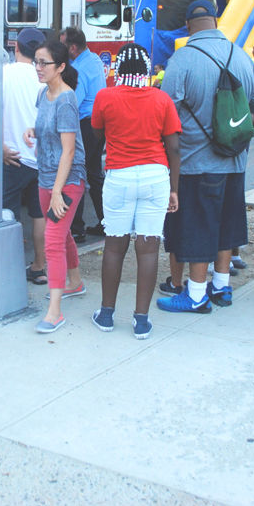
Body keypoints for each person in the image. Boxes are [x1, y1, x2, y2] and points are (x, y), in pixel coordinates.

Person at [157, 0, 254, 314]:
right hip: (235, 159)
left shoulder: (183, 58)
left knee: (199, 226)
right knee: (226, 226)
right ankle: (222, 287)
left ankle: (195, 295)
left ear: (189, 26)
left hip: (196, 162)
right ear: (216, 22)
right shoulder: (241, 55)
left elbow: (166, 111)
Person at [89, 44, 181, 339]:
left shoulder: (105, 96)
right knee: (148, 248)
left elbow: (97, 136)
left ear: (117, 69)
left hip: (119, 176)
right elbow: (174, 147)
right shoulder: (162, 99)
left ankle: (106, 314)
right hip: (156, 176)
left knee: (114, 246)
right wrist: (174, 190)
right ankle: (141, 320)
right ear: (146, 70)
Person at [24, 39, 87, 333]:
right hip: (46, 176)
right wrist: (33, 130)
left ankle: (54, 312)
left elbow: (69, 150)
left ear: (60, 67)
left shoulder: (66, 99)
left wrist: (59, 191)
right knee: (61, 237)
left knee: (52, 241)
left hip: (68, 180)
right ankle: (74, 283)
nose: (38, 68)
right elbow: (49, 128)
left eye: (43, 63)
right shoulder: (43, 94)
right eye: (36, 61)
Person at [2, 27, 48, 285]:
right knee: (38, 214)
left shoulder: (2, 74)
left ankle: (8, 269)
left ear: (16, 48)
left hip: (12, 156)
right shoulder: (44, 77)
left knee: (8, 215)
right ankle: (39, 267)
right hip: (39, 158)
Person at [60, 27, 107, 242]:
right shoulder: (94, 60)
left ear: (72, 47)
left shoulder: (78, 69)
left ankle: (76, 228)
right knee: (95, 174)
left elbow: (73, 102)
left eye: (63, 45)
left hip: (84, 126)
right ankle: (106, 221)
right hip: (97, 125)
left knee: (75, 174)